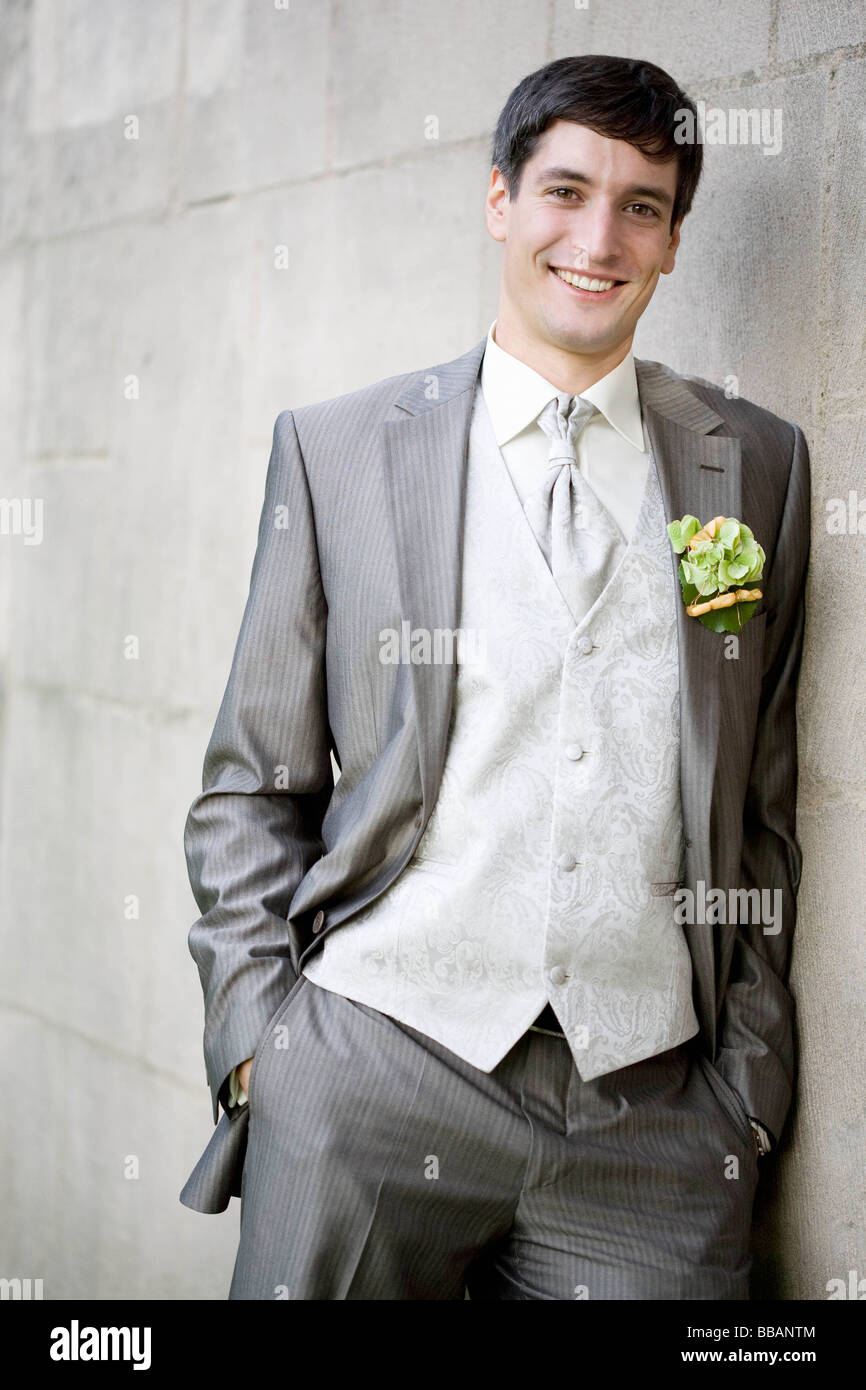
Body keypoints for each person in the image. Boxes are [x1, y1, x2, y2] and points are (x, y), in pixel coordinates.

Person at [179, 54, 810, 1300]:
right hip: (374, 1069)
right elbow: (252, 786)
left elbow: (759, 814)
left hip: (655, 1116)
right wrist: (264, 1046)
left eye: (640, 204)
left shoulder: (755, 466)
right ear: (498, 203)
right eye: (564, 191)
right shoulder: (343, 450)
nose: (597, 236)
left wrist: (743, 1093)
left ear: (674, 240)